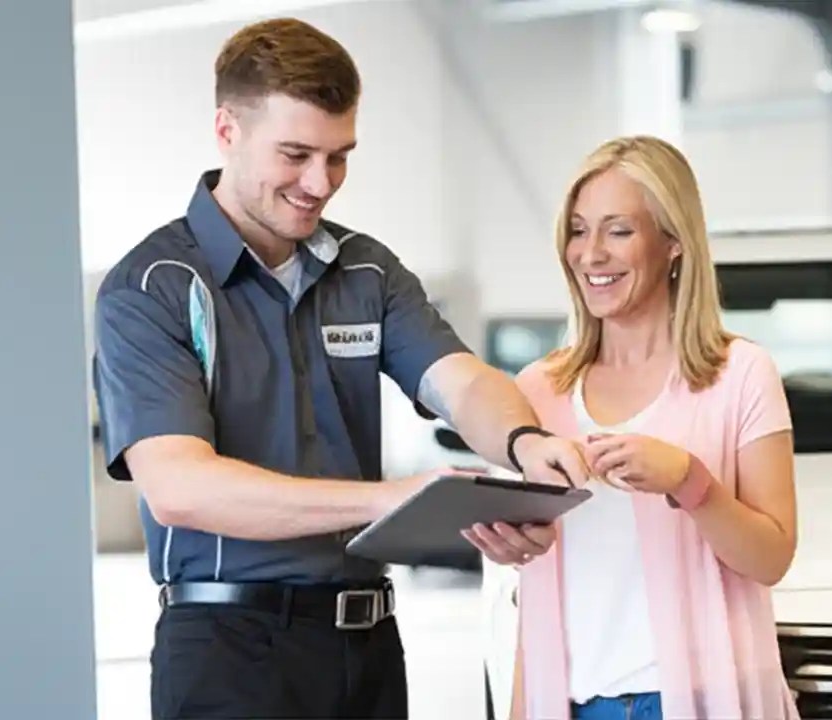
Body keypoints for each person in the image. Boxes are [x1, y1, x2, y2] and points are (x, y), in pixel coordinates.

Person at [91, 18, 588, 720]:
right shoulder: (154, 288)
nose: (319, 183)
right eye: (295, 153)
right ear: (227, 130)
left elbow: (460, 379)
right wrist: (390, 501)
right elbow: (179, 486)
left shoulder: (366, 271)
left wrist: (525, 444)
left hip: (368, 650)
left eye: (339, 156)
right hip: (227, 653)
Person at [503, 136, 801, 720]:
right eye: (579, 230)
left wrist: (692, 482)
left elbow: (771, 558)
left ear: (672, 243)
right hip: (576, 704)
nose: (590, 254)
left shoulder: (740, 375)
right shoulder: (538, 391)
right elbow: (530, 602)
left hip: (705, 703)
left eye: (618, 231)